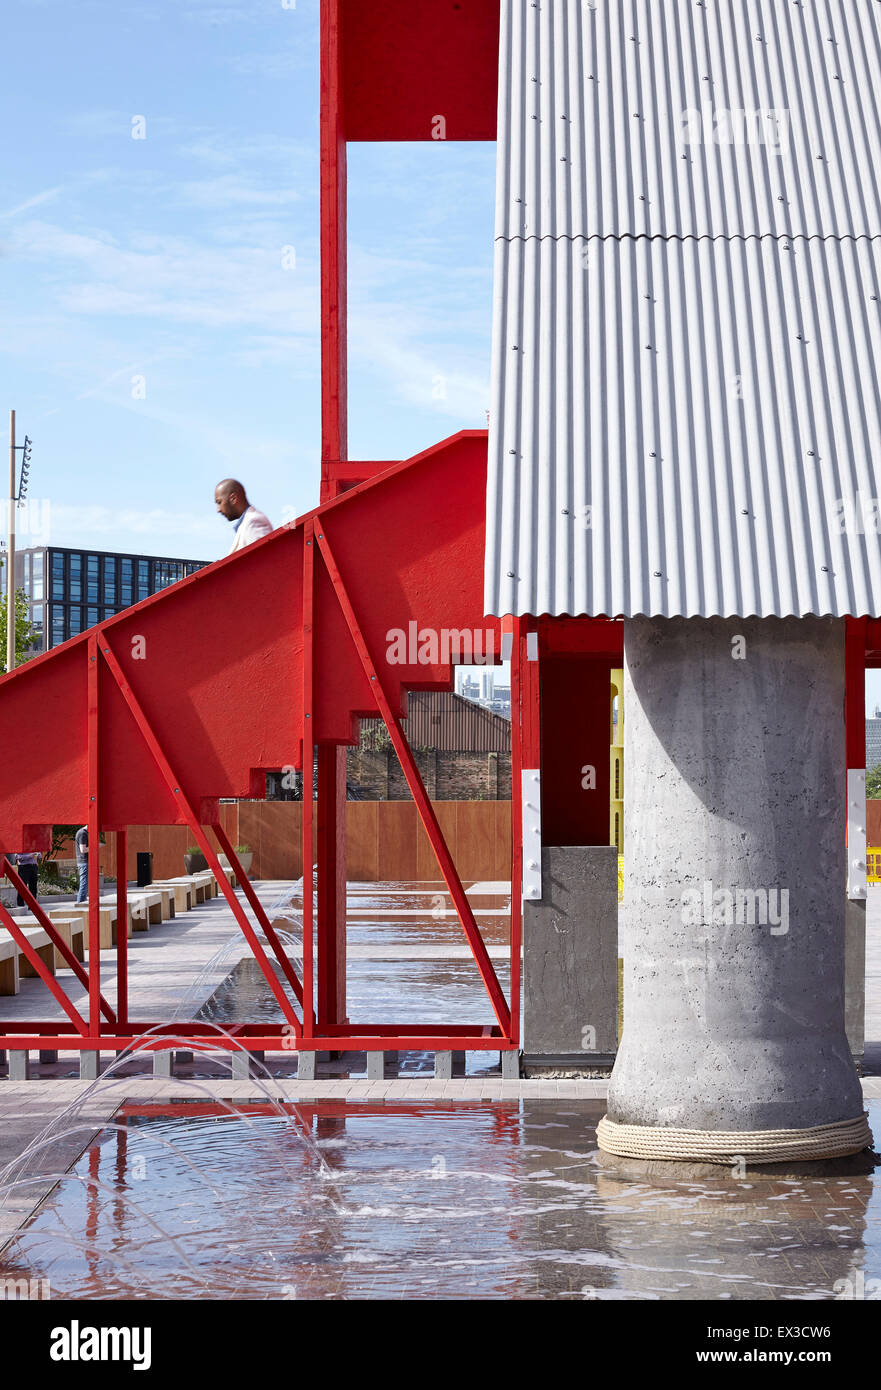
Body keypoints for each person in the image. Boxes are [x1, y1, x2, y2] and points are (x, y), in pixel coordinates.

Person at [214, 479, 273, 554]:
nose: (218, 509)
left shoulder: (254, 521)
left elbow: (264, 559)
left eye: (219, 502)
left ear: (233, 499)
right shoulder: (246, 524)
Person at [75, 825, 89, 903]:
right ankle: (80, 903)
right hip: (84, 862)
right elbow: (83, 850)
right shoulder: (83, 833)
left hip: (84, 862)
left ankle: (82, 901)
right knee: (84, 884)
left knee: (85, 884)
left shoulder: (85, 833)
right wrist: (95, 846)